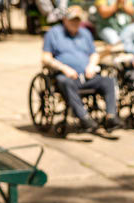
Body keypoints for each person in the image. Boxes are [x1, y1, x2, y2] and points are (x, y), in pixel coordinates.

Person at [42, 6, 122, 136]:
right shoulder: (53, 33)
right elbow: (45, 58)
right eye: (72, 20)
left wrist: (91, 65)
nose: (75, 23)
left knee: (108, 81)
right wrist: (64, 68)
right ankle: (84, 118)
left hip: (87, 75)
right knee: (65, 82)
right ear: (64, 20)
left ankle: (111, 117)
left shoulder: (85, 33)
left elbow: (94, 54)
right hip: (66, 76)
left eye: (77, 20)